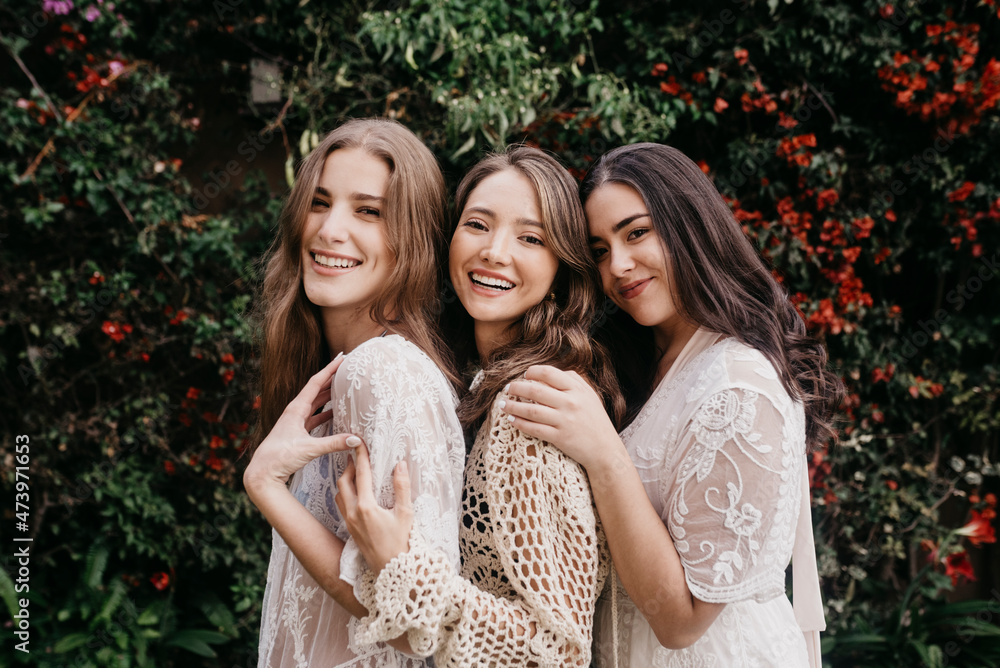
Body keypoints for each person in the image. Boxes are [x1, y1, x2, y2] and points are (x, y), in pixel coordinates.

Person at [499, 143, 842, 667]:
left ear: (690, 226)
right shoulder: (647, 363)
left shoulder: (738, 386)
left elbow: (683, 621)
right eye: (598, 250)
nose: (618, 265)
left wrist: (604, 454)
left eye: (637, 233)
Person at [333, 146, 626, 667]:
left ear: (562, 269)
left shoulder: (531, 407)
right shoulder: (479, 381)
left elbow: (556, 652)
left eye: (530, 238)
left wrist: (400, 566)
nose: (494, 251)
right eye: (477, 225)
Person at [243, 118, 467, 668]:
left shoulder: (382, 371)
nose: (328, 230)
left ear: (411, 240)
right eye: (320, 203)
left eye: (368, 211)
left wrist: (265, 485)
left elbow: (416, 621)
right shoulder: (343, 372)